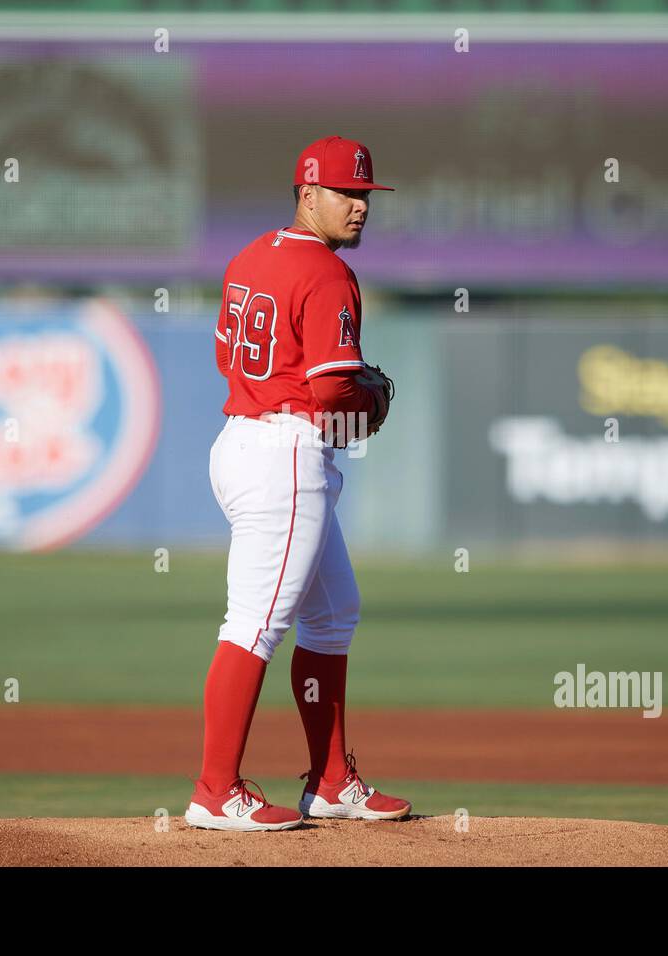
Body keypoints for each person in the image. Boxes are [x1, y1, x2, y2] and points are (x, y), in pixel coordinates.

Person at [184, 135, 411, 831]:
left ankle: (332, 779)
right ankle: (215, 790)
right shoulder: (327, 275)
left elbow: (240, 356)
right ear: (306, 193)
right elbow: (335, 390)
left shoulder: (251, 255)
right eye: (346, 194)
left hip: (245, 440)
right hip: (284, 458)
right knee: (253, 625)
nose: (359, 207)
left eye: (365, 196)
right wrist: (368, 400)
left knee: (335, 613)